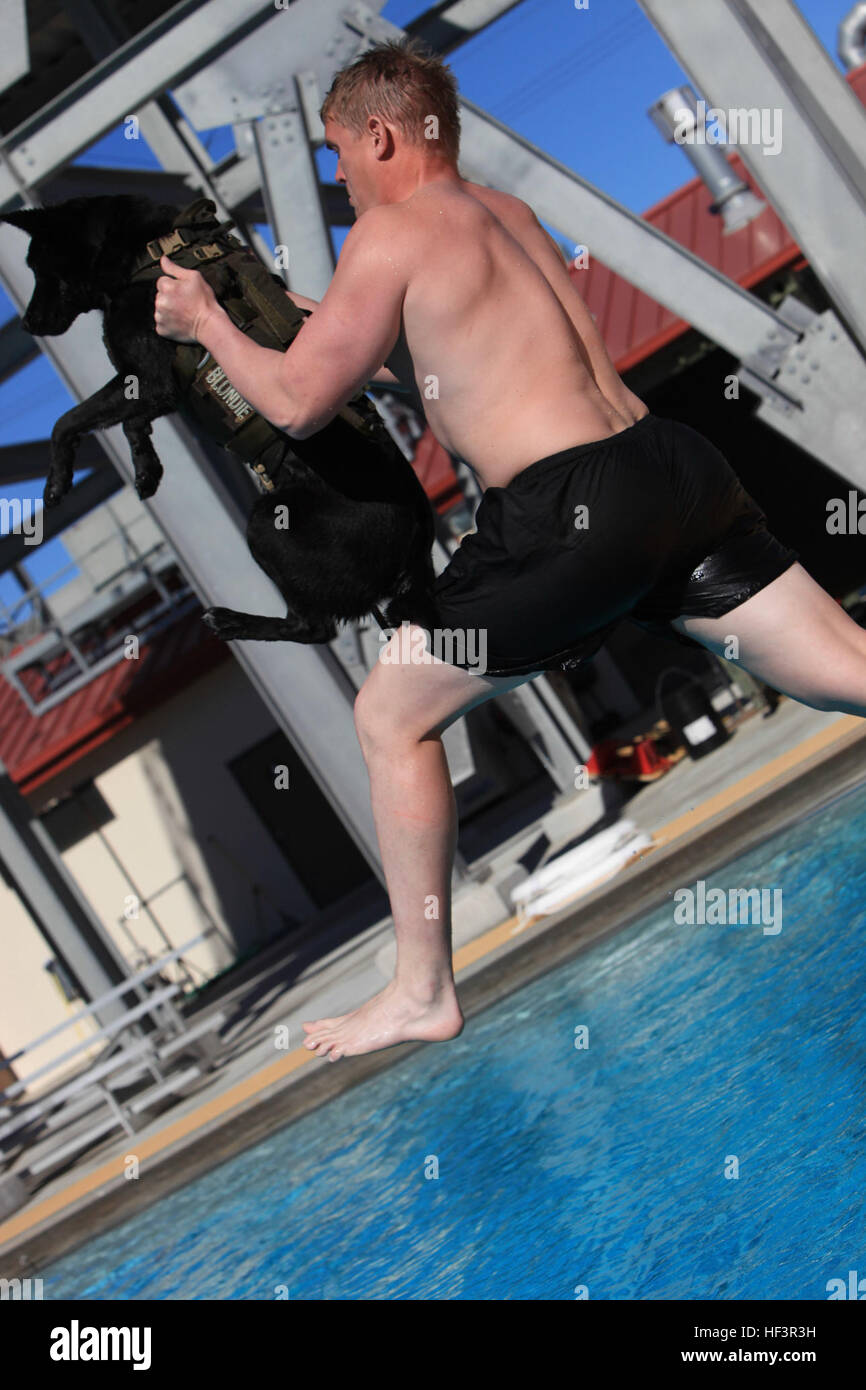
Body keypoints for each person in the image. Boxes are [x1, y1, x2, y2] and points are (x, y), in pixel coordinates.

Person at [154, 37, 866, 1064]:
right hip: (670, 468)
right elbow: (438, 362)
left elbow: (299, 402)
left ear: (381, 136)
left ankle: (421, 988)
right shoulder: (504, 214)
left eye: (337, 151)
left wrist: (207, 325)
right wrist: (299, 317)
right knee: (845, 669)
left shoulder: (390, 233)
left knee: (389, 714)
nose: (338, 176)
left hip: (568, 512)